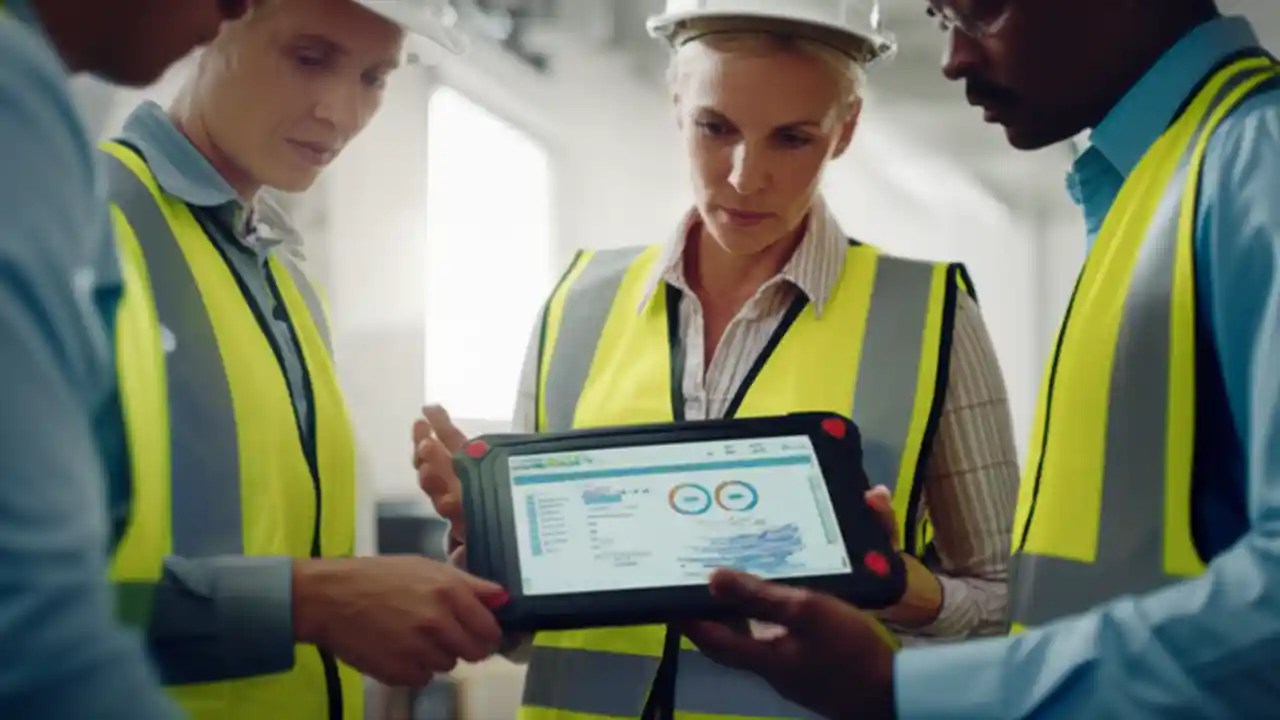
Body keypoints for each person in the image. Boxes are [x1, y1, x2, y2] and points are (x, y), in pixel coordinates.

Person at [413, 0, 1023, 717]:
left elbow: (1006, 600)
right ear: (677, 105)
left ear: (845, 130)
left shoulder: (931, 312)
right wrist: (488, 542)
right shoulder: (575, 305)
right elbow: (523, 634)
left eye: (792, 138)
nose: (743, 176)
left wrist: (891, 582)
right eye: (715, 127)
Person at [678, 0, 1280, 718]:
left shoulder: (1259, 163)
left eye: (981, 9)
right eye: (941, 18)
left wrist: (896, 685)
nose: (953, 58)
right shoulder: (1156, 190)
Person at [101, 1, 504, 719]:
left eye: (376, 77)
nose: (340, 113)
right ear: (211, 22)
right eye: (309, 58)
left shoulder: (286, 278)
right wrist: (312, 603)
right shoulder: (86, 224)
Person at [0, 0, 247, 717]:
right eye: (308, 57)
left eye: (376, 77)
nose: (238, 6)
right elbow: (33, 632)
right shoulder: (18, 101)